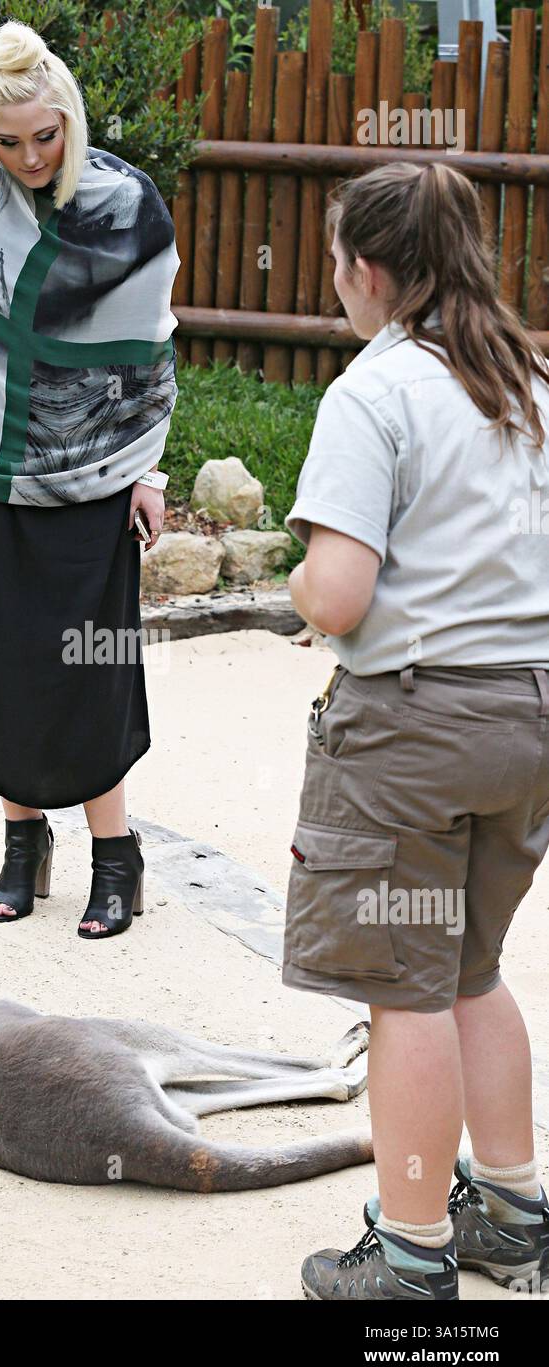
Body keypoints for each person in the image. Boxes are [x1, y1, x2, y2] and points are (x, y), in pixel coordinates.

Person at [283, 160, 549, 1300]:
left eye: (338, 258)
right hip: (528, 715)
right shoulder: (528, 380)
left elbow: (336, 594)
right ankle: (511, 1212)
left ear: (371, 271)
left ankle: (406, 1256)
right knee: (469, 968)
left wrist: (296, 586)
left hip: (413, 727)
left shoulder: (373, 391)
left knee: (406, 988)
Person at [0, 21, 180, 938]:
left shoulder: (125, 206)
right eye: (7, 141)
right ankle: (24, 845)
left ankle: (115, 857)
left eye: (44, 137)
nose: (27, 156)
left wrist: (147, 468)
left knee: (92, 667)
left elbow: (147, 350)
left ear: (71, 120)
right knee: (6, 664)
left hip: (93, 476)